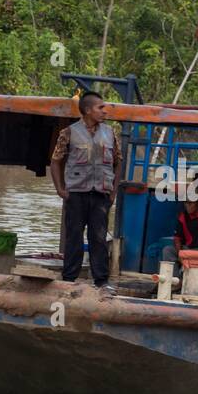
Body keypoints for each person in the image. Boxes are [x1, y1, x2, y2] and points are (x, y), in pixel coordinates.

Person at [50, 90, 121, 290]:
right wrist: (60, 189)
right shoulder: (69, 132)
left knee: (98, 238)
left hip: (101, 194)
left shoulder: (110, 133)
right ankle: (69, 279)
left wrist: (113, 192)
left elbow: (118, 163)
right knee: (74, 236)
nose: (104, 112)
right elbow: (55, 162)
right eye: (101, 108)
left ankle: (101, 281)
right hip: (76, 193)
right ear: (88, 110)